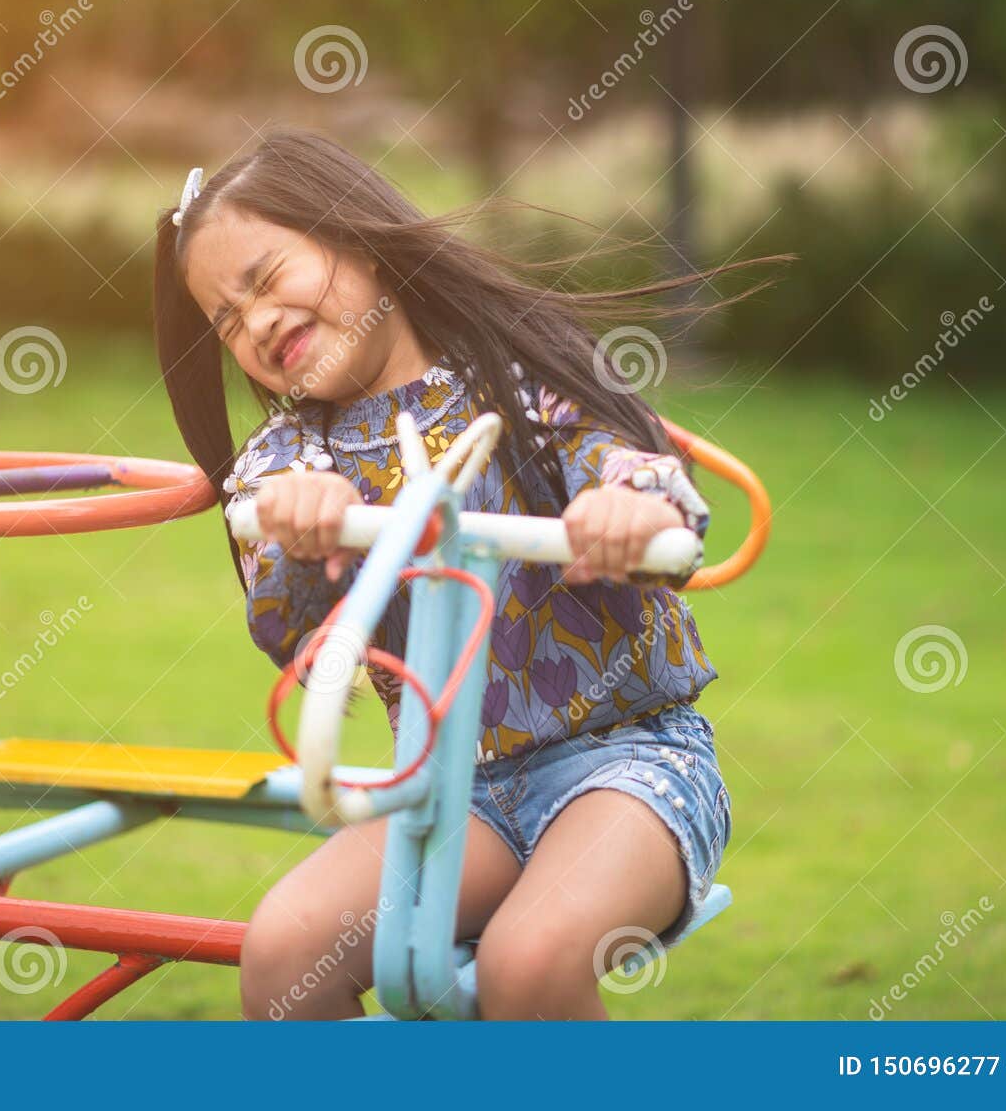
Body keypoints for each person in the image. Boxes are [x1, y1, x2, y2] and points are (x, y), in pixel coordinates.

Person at [154, 129, 765, 1019]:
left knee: (530, 961)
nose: (255, 323)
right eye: (226, 319)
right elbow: (285, 624)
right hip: (453, 790)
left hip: (625, 765)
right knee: (284, 949)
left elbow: (629, 461)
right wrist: (296, 531)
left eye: (263, 279)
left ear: (356, 239)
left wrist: (628, 506)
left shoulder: (520, 376)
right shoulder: (288, 462)